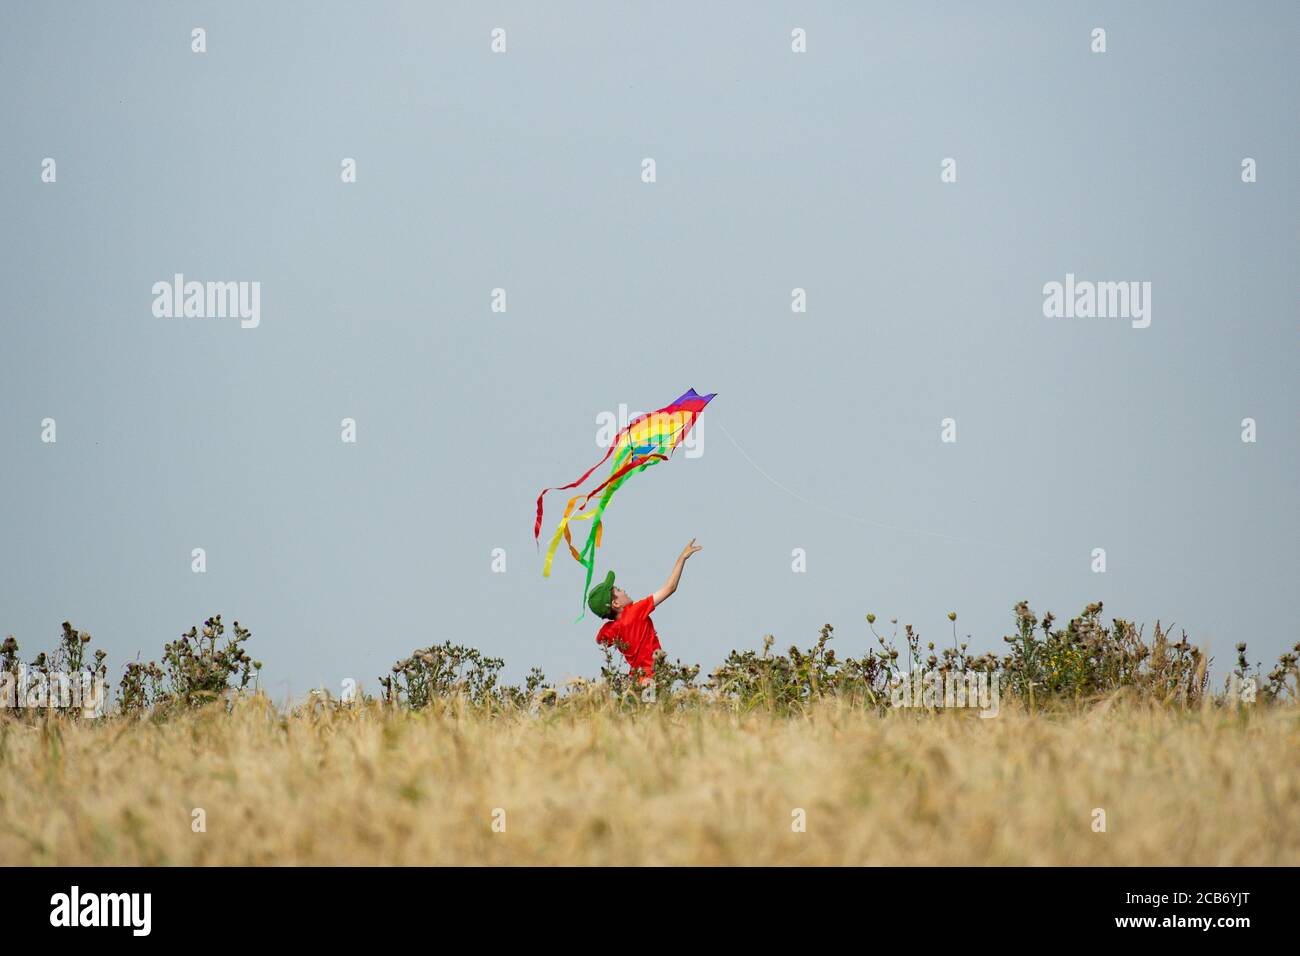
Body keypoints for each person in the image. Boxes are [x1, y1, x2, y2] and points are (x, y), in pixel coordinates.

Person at [587, 539, 703, 684]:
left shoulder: (611, 629)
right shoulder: (635, 612)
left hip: (635, 681)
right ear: (615, 603)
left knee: (643, 707)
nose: (623, 590)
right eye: (617, 590)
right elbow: (670, 588)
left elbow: (599, 639)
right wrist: (681, 558)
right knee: (654, 706)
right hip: (651, 678)